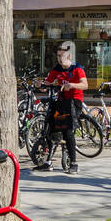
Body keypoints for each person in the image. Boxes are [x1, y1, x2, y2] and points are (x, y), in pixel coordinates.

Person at [38, 40, 87, 173]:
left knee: (68, 131)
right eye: (58, 56)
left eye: (62, 56)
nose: (60, 59)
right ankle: (48, 162)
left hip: (74, 102)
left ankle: (74, 162)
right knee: (51, 129)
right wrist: (41, 85)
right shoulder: (56, 69)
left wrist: (72, 85)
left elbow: (85, 85)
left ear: (69, 56)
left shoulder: (77, 68)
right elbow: (47, 84)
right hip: (60, 101)